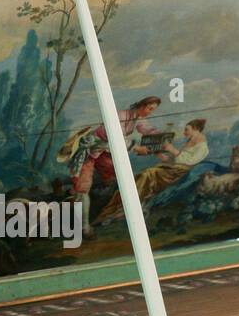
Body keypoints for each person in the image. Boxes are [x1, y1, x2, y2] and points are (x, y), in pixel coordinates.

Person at [58, 95, 163, 234]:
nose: (150, 112)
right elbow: (116, 136)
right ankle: (84, 227)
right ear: (142, 106)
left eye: (152, 110)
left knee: (120, 179)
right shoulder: (121, 115)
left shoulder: (136, 118)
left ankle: (116, 211)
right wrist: (137, 148)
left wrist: (161, 140)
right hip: (90, 151)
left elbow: (149, 130)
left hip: (104, 152)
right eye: (150, 108)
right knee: (82, 188)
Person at [97, 118, 209, 223]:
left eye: (187, 129)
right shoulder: (192, 141)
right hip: (174, 168)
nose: (184, 132)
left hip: (178, 172)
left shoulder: (203, 146)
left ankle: (130, 205)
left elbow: (188, 161)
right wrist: (165, 156)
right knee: (143, 175)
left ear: (196, 129)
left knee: (147, 174)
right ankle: (122, 205)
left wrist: (172, 149)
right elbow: (180, 158)